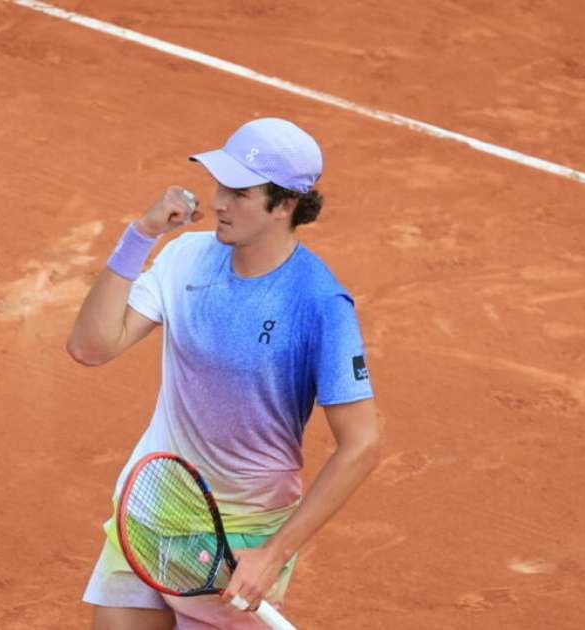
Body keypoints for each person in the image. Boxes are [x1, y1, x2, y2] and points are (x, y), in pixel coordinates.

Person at [67, 118, 382, 629]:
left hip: (240, 540)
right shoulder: (187, 258)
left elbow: (362, 443)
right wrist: (141, 235)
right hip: (151, 510)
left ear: (284, 204)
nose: (218, 202)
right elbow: (90, 346)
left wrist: (274, 554)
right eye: (220, 186)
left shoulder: (319, 304)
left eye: (239, 192)